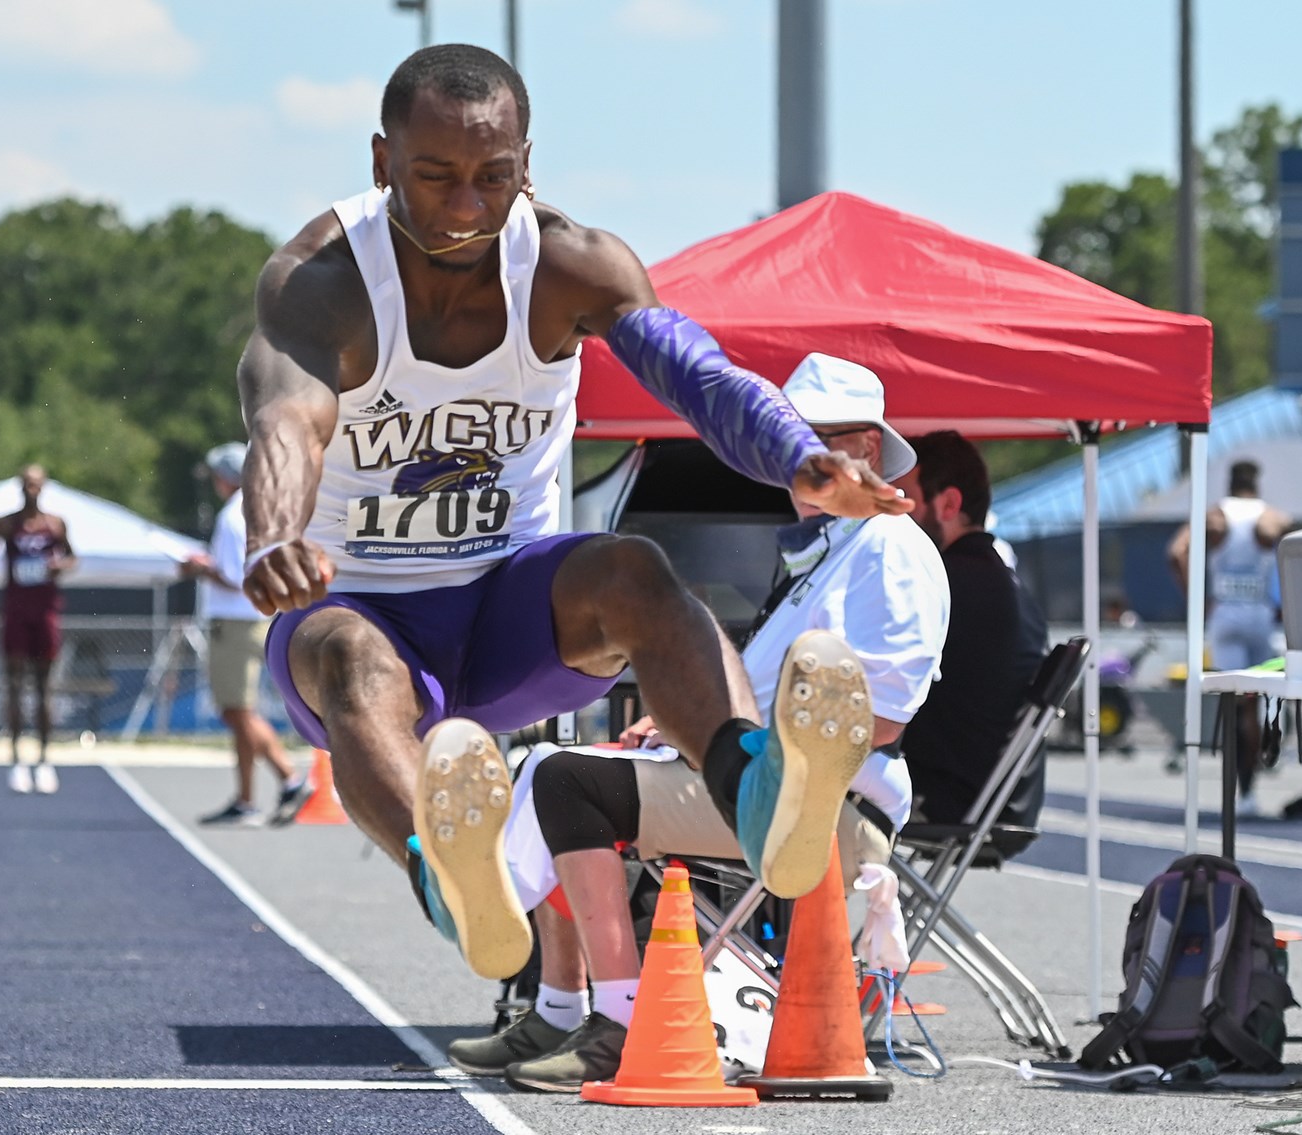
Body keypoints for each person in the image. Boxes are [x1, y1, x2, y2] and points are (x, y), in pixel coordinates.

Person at [237, 45, 909, 981]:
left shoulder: (568, 264)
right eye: (436, 178)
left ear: (528, 164)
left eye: (494, 177)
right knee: (353, 653)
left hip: (510, 614)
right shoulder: (324, 282)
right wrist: (273, 536)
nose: (468, 209)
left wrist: (798, 455)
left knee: (631, 569)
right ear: (383, 162)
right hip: (362, 616)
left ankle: (755, 788)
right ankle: (452, 882)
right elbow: (285, 425)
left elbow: (698, 374)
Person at [445, 355, 949, 1090]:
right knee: (543, 766)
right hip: (775, 787)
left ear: (868, 450)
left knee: (562, 782)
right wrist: (687, 730)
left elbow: (878, 720)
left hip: (826, 807)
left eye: (816, 446)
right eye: (788, 452)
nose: (796, 469)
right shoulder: (838, 550)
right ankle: (555, 1000)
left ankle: (607, 1018)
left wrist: (721, 746)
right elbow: (774, 699)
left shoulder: (890, 550)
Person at [900, 430, 1049, 826]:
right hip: (992, 799)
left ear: (948, 503)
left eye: (904, 498)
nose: (894, 514)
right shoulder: (1005, 583)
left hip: (939, 796)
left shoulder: (942, 583)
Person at [182, 442, 309, 826]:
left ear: (225, 478)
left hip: (236, 622)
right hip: (248, 620)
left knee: (237, 711)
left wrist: (200, 569)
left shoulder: (232, 517)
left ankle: (289, 777)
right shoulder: (255, 510)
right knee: (239, 711)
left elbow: (238, 577)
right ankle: (246, 798)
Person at [1168, 459, 1290, 816]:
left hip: (1226, 612)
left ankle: (1245, 790)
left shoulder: (1215, 517)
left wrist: (1197, 600)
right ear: (1257, 484)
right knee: (1272, 688)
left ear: (1230, 483)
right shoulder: (1273, 517)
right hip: (1262, 614)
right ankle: (1273, 733)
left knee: (1237, 703)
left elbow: (1177, 552)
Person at [0, 465, 76, 794]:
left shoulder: (55, 524)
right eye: (26, 485)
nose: (31, 490)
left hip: (45, 612)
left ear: (43, 487)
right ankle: (17, 758)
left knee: (44, 687)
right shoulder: (6, 524)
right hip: (16, 611)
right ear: (20, 487)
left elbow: (73, 557)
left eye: (36, 485)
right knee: (15, 686)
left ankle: (45, 759)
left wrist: (60, 565)